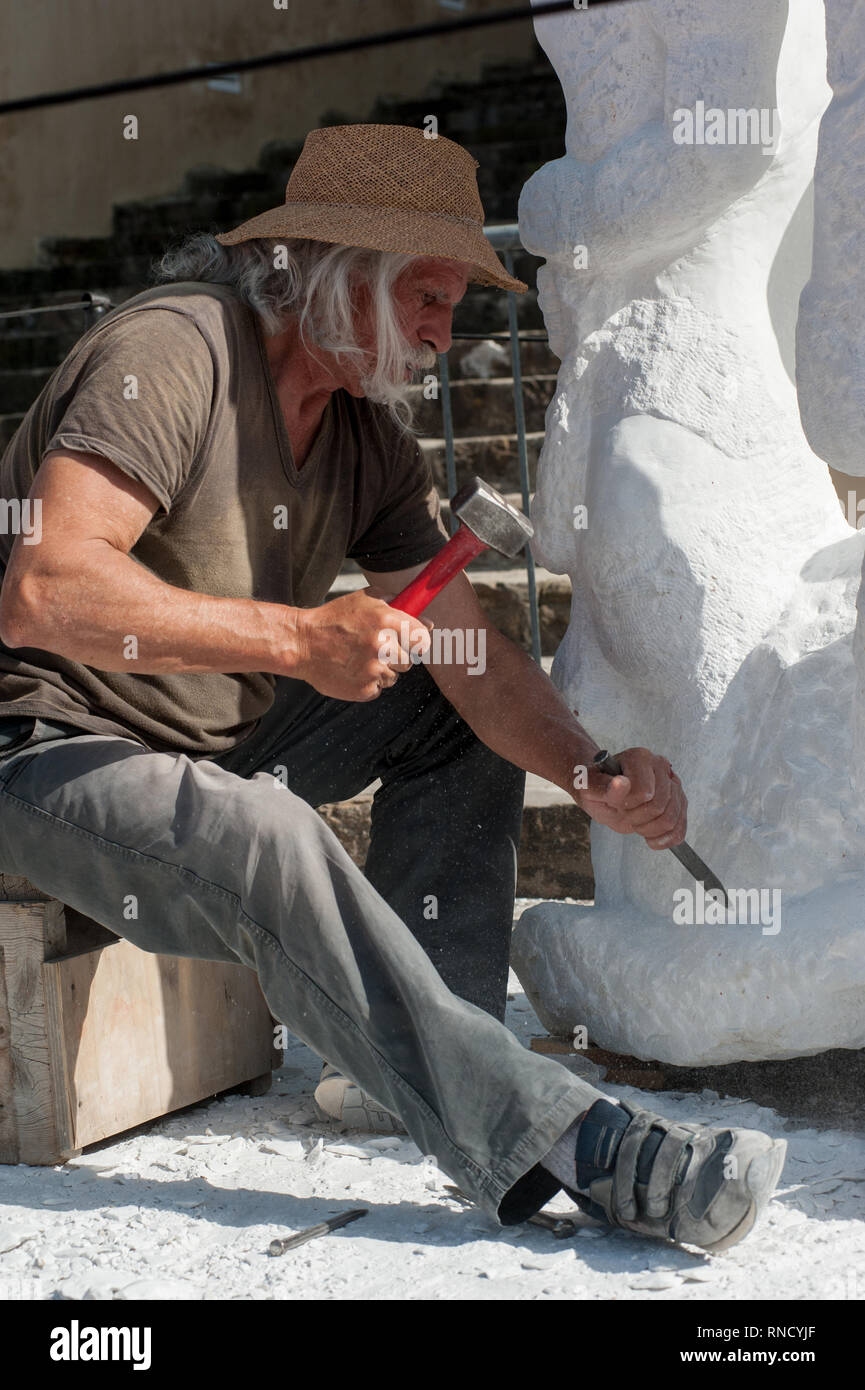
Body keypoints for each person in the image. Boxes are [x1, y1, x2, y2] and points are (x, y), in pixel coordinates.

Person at [0, 124, 785, 1249]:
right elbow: (44, 590)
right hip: (45, 745)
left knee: (441, 705)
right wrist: (296, 638)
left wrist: (587, 770)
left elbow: (472, 661)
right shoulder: (173, 352)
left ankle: (432, 1051)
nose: (440, 333)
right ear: (335, 272)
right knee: (268, 833)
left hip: (208, 738)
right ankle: (570, 1144)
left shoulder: (364, 436)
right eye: (425, 295)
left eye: (452, 305)